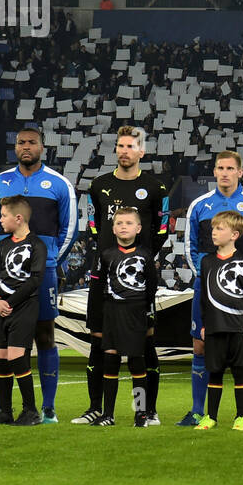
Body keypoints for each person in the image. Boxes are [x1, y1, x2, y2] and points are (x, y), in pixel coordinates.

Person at [75, 126, 169, 426]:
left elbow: (163, 229)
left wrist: (140, 258)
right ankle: (96, 408)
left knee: (144, 348)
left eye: (130, 146)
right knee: (98, 343)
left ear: (141, 151)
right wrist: (107, 254)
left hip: (137, 284)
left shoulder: (156, 188)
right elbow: (92, 224)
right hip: (103, 278)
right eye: (120, 146)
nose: (124, 151)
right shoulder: (98, 185)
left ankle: (147, 409)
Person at [0, 128, 78, 424]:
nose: (26, 147)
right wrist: (5, 257)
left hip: (43, 272)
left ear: (42, 147)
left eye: (32, 143)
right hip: (6, 272)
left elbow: (69, 229)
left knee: (45, 335)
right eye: (21, 143)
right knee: (3, 336)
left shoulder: (59, 184)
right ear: (15, 147)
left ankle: (48, 407)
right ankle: (2, 406)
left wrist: (50, 261)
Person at [182, 150, 243, 427]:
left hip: (239, 291)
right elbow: (190, 245)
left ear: (240, 172)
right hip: (205, 289)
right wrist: (207, 278)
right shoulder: (200, 205)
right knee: (200, 346)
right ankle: (198, 411)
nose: (224, 173)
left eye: (230, 168)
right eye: (220, 167)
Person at [0, 196, 48, 427]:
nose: (0, 219)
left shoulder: (37, 245)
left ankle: (31, 411)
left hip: (24, 306)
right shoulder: (2, 245)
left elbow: (35, 280)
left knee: (16, 356)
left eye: (3, 215)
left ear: (18, 218)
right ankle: (4, 411)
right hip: (1, 306)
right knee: (2, 357)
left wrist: (9, 302)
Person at [94, 208, 157, 427]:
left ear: (138, 228)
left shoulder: (145, 255)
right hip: (112, 312)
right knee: (110, 361)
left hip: (136, 312)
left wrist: (147, 314)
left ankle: (140, 413)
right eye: (119, 222)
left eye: (129, 223)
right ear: (113, 228)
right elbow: (100, 285)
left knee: (136, 363)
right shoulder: (107, 255)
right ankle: (108, 414)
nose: (123, 226)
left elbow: (152, 287)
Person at [194, 211, 243, 431]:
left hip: (237, 326)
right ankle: (210, 416)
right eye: (213, 228)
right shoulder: (207, 261)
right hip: (214, 327)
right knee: (215, 371)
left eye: (220, 228)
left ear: (234, 235)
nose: (214, 232)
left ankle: (241, 417)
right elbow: (203, 297)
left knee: (240, 371)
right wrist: (203, 324)